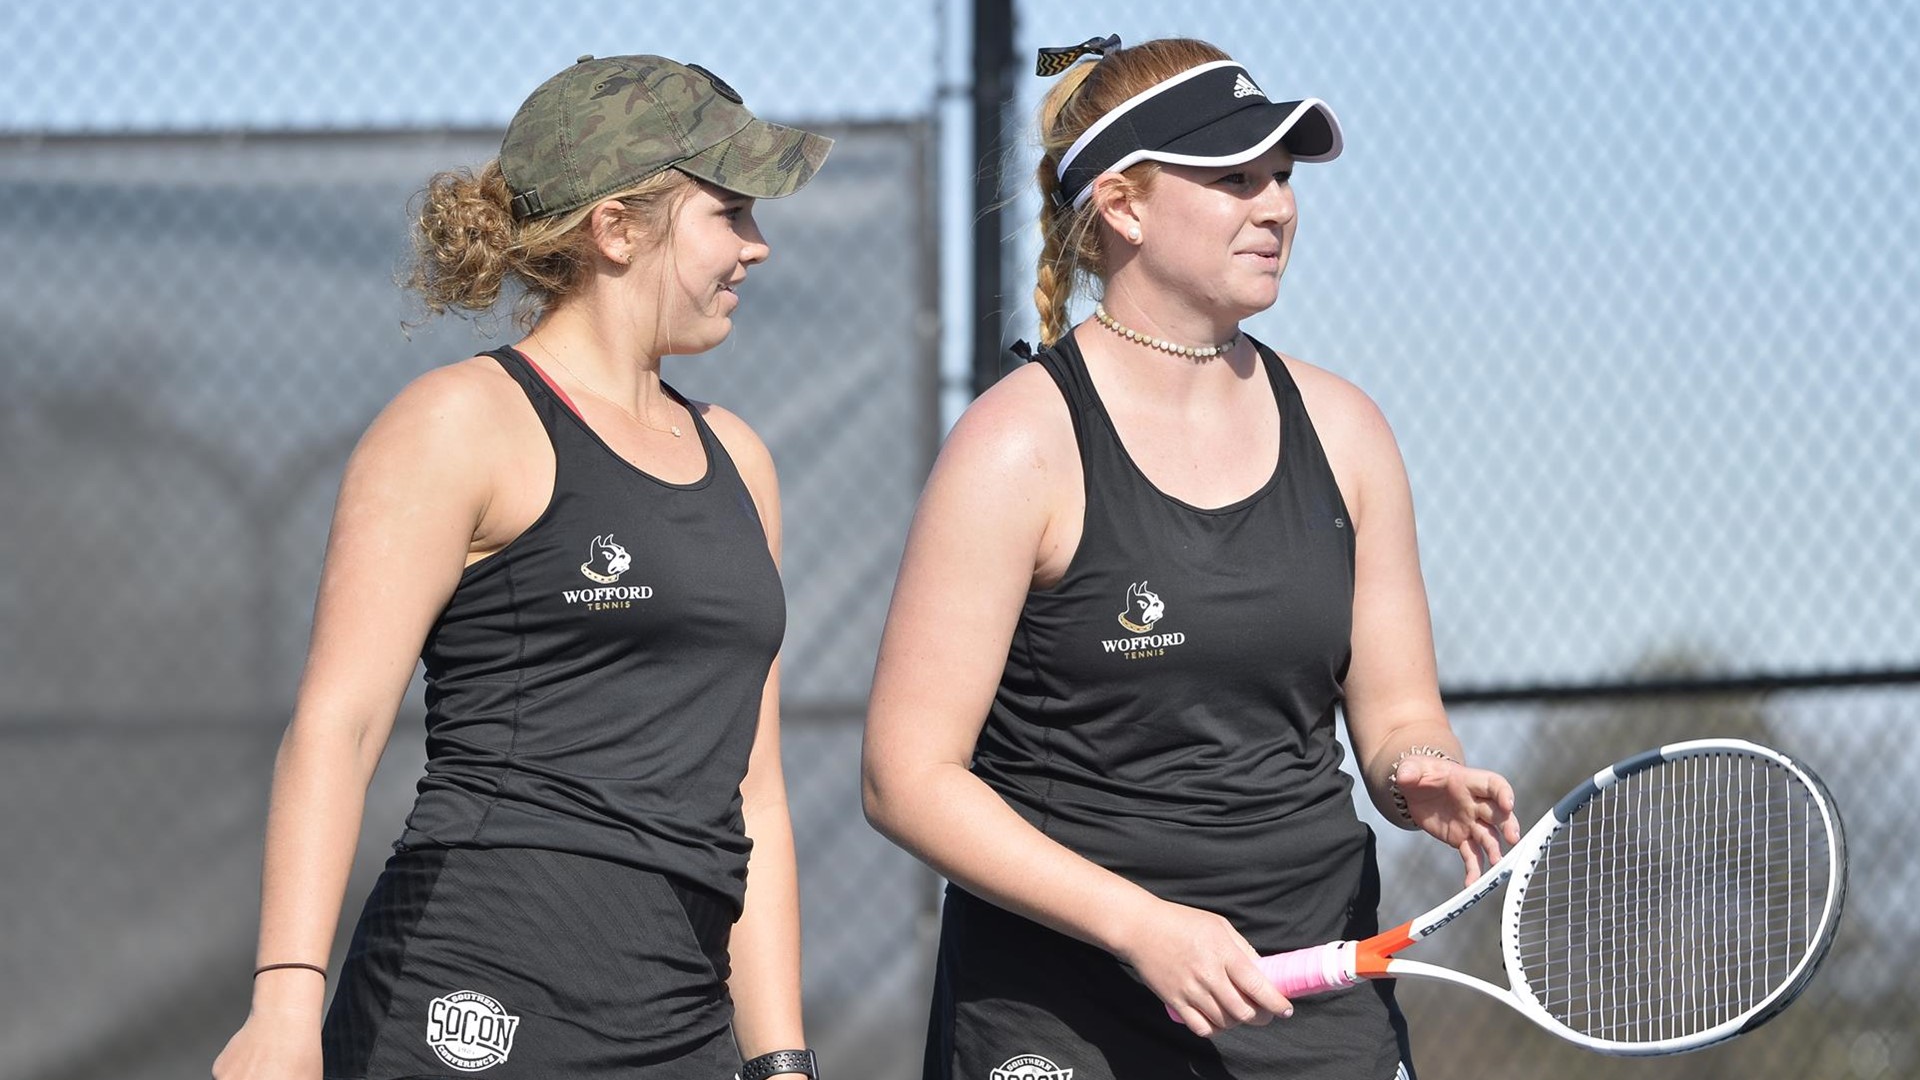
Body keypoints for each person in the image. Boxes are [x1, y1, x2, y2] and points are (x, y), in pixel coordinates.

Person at [861, 35, 1521, 1080]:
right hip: (1065, 1024)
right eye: (1232, 177)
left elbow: (1398, 712)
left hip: (1318, 1006)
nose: (1277, 206)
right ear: (1122, 205)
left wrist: (1418, 772)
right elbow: (907, 779)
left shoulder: (1347, 432)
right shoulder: (1018, 444)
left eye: (1282, 177)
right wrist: (1141, 926)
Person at [212, 53, 830, 1080]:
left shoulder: (742, 460)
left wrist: (781, 1060)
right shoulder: (459, 422)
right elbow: (339, 724)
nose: (758, 248)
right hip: (467, 1001)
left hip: (676, 1024)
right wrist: (284, 1010)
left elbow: (753, 793)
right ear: (618, 228)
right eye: (730, 212)